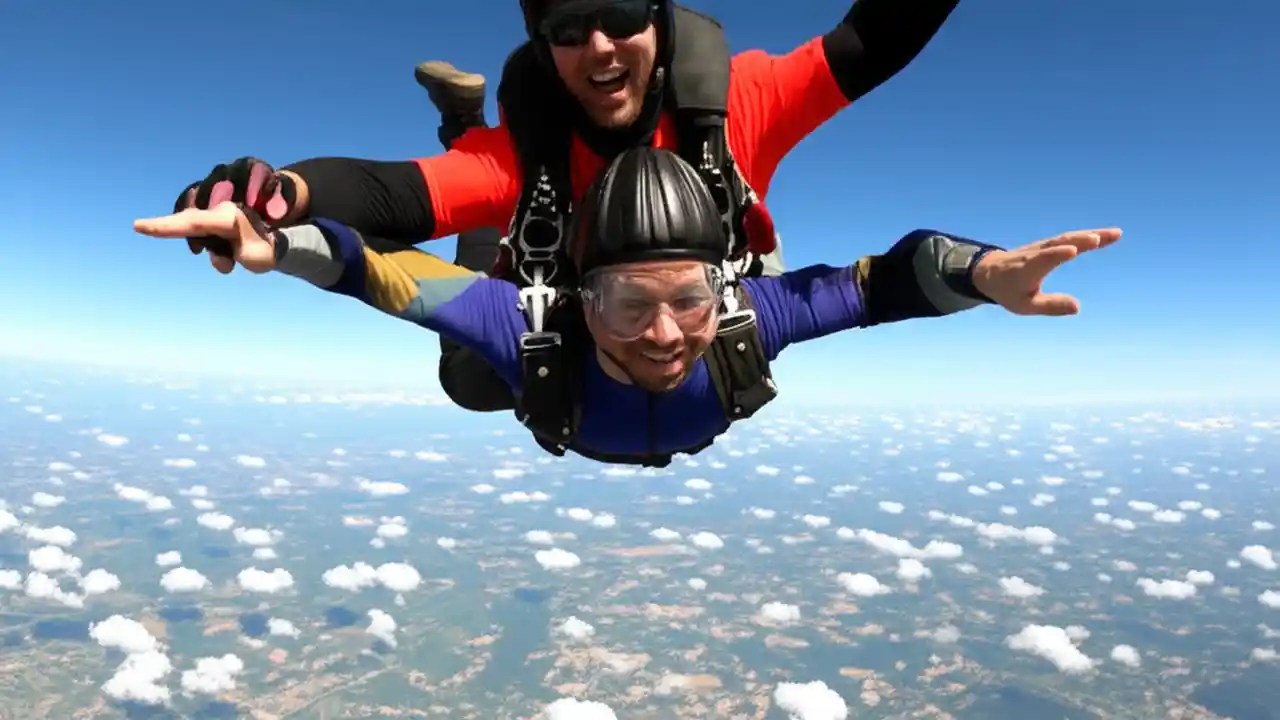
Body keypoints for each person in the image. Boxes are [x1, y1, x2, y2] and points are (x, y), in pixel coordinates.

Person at [171, 0, 963, 412]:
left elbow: (870, 43)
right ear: (544, 45)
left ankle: (464, 130)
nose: (600, 48)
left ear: (656, 18)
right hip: (555, 277)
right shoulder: (527, 153)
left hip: (705, 299)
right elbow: (390, 196)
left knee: (729, 359)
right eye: (567, 27)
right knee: (473, 380)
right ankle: (461, 121)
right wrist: (277, 195)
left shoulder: (732, 103)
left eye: (620, 15)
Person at [138, 147, 1121, 467]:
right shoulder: (524, 323)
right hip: (517, 319)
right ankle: (482, 158)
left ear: (723, 286)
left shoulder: (746, 316)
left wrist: (982, 272)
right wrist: (281, 247)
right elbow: (376, 269)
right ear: (577, 295)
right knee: (465, 373)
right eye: (620, 302)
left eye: (689, 298)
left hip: (578, 350)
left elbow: (885, 279)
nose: (661, 332)